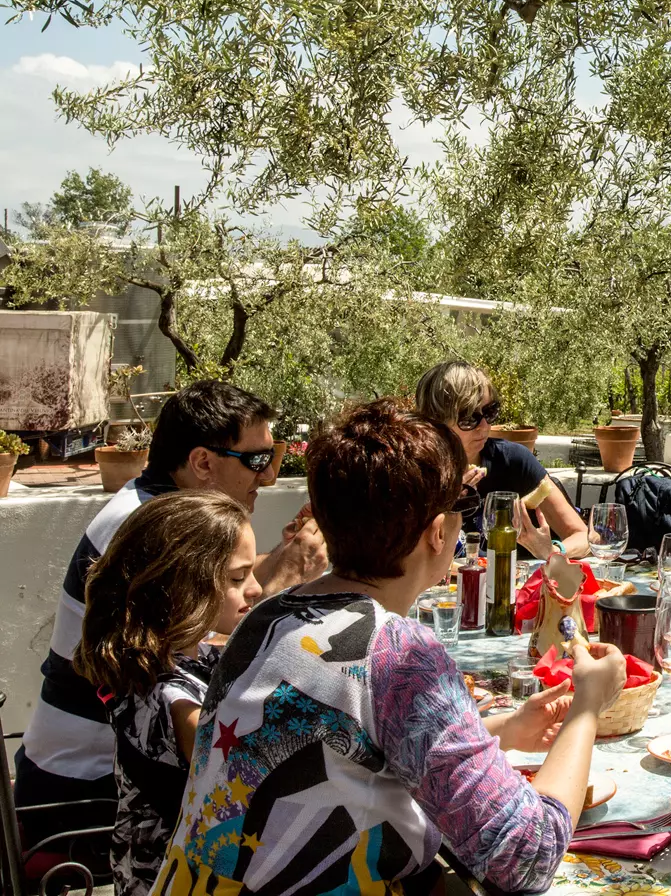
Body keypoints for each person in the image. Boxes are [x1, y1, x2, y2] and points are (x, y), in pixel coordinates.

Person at [154, 400, 628, 896]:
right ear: (437, 532)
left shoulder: (267, 619)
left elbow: (334, 737)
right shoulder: (397, 654)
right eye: (462, 507)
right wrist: (587, 708)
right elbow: (528, 856)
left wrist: (500, 730)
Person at [14, 381, 327, 862]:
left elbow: (212, 600)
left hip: (120, 778)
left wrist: (283, 559)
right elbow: (221, 646)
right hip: (87, 801)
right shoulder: (141, 525)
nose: (268, 477)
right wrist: (284, 577)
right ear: (203, 462)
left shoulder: (154, 508)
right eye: (257, 459)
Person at [75, 493, 262, 896]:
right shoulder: (169, 697)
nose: (256, 588)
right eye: (236, 578)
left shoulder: (172, 657)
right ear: (181, 585)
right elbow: (239, 766)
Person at [415, 361, 589, 558]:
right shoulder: (415, 471)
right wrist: (447, 503)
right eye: (469, 418)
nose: (484, 427)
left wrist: (553, 551)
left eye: (490, 412)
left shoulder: (513, 461)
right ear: (435, 421)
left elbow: (583, 537)